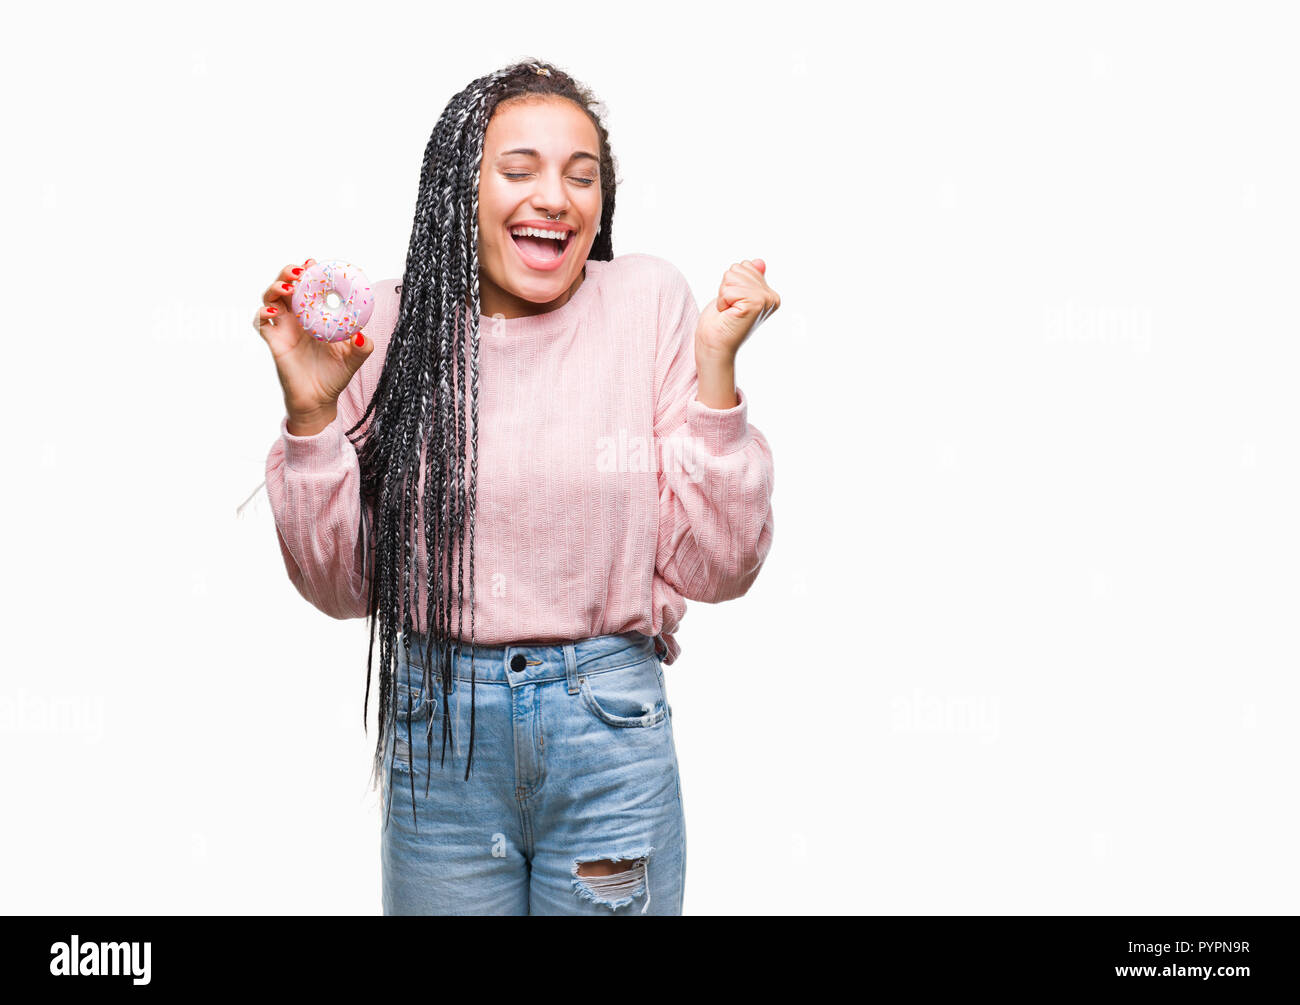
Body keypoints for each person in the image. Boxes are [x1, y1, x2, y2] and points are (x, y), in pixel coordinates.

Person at [254, 59, 777, 915]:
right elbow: (340, 588)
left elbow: (724, 567)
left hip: (608, 731)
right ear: (462, 189)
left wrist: (717, 375)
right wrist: (312, 418)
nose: (556, 198)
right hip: (439, 737)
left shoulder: (647, 301)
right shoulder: (383, 328)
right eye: (519, 170)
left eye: (582, 176)